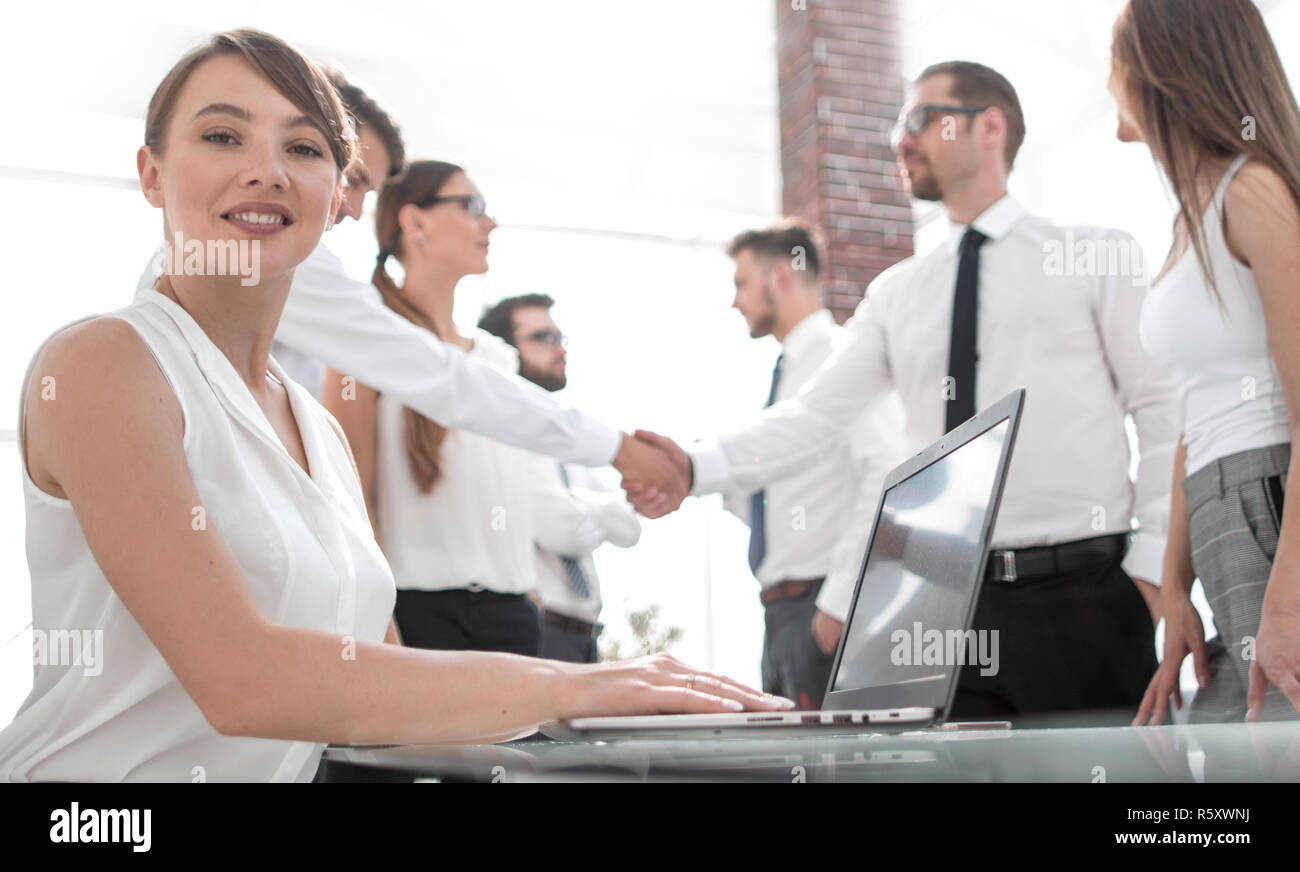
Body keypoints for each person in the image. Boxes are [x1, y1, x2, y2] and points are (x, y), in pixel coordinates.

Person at [0, 29, 787, 782]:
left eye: (304, 148)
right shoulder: (105, 362)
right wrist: (581, 685)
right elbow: (242, 679)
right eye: (222, 136)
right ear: (149, 173)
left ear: (333, 192)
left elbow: (365, 688)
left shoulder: (316, 429)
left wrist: (634, 722)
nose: (267, 170)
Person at [629, 60, 1180, 726]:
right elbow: (813, 417)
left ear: (989, 128)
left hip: (1085, 596)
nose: (901, 140)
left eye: (920, 118)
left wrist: (1154, 569)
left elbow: (1161, 408)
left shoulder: (1095, 256)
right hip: (937, 605)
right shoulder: (897, 294)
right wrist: (695, 468)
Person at [132, 68, 687, 506]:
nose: (346, 206)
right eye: (344, 175)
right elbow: (438, 378)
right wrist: (613, 447)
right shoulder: (271, 262)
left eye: (359, 185)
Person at [1109, 0, 1300, 724]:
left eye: (1115, 61)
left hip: (1272, 501)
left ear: (1160, 66)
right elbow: (1197, 410)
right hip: (1223, 504)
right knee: (1240, 741)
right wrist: (1174, 584)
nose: (1108, 82)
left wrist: (1286, 595)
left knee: (1268, 746)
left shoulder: (1251, 192)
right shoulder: (1187, 217)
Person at [322, 161, 548, 656]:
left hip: (512, 617)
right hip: (415, 616)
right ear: (414, 223)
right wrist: (382, 625)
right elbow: (350, 494)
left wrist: (524, 592)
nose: (489, 223)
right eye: (472, 207)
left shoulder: (498, 358)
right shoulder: (363, 346)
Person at [717, 219, 903, 709]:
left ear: (780, 277)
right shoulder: (787, 371)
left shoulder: (841, 358)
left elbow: (887, 472)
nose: (735, 300)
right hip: (781, 616)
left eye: (741, 283)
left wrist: (838, 602)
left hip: (822, 611)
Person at [479, 294, 642, 663]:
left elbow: (631, 527)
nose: (559, 349)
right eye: (543, 338)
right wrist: (597, 511)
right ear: (505, 351)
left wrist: (576, 506)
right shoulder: (502, 434)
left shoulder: (567, 440)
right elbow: (564, 531)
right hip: (539, 634)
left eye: (560, 337)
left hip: (585, 637)